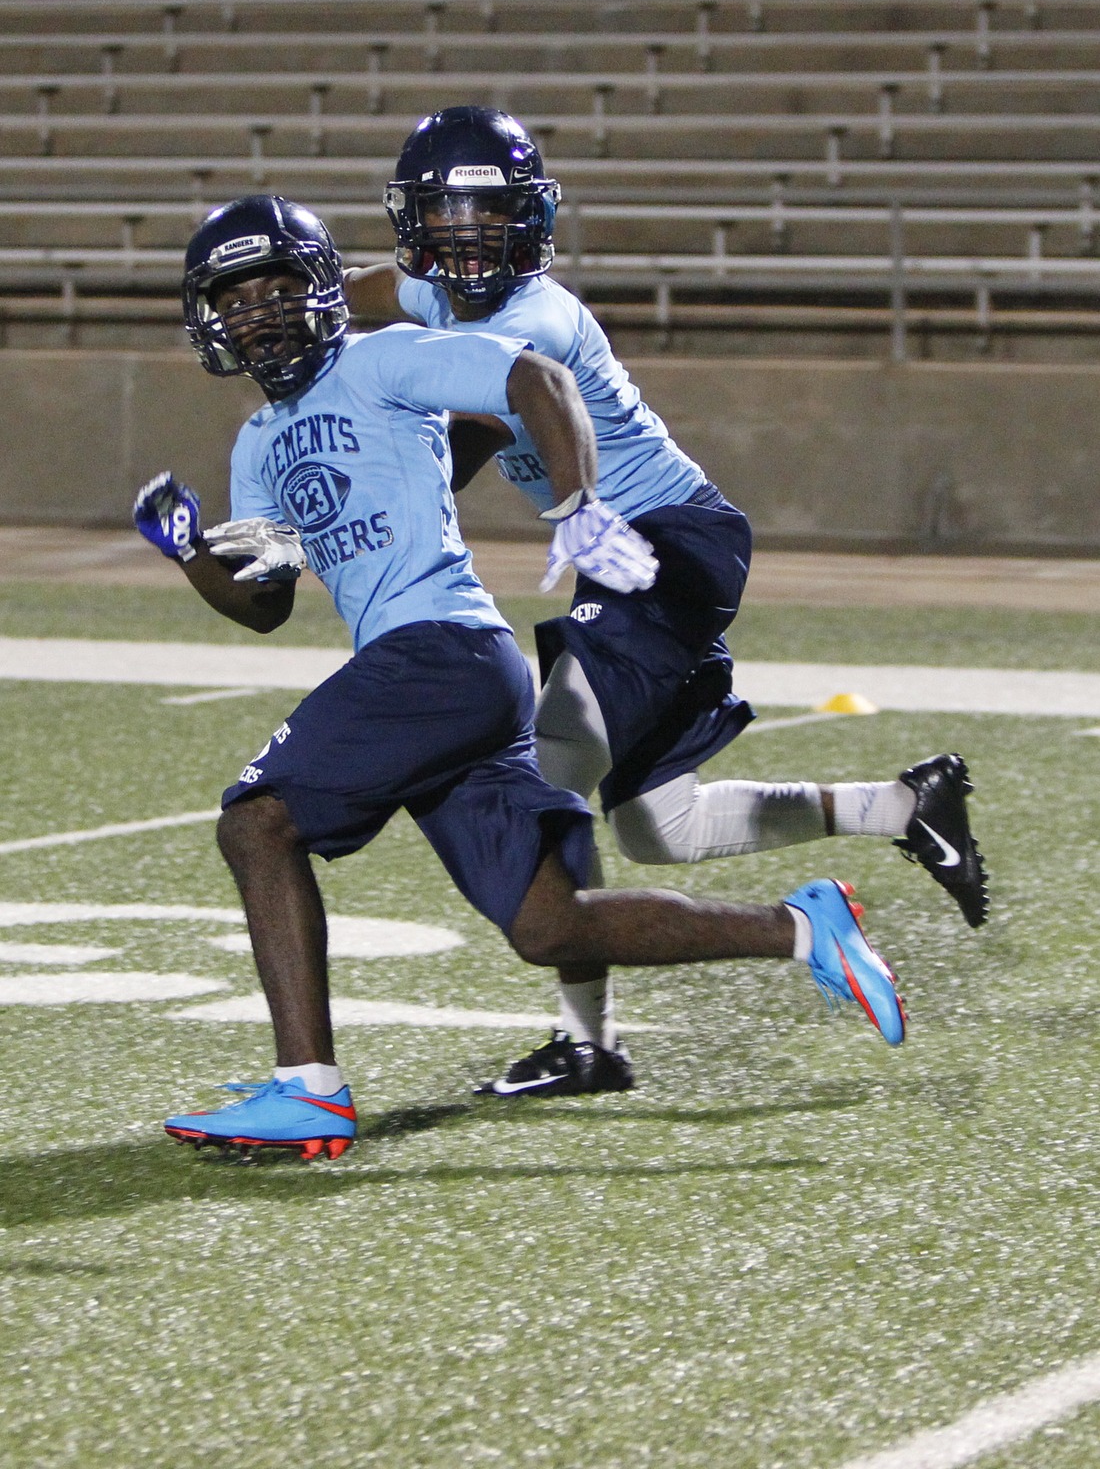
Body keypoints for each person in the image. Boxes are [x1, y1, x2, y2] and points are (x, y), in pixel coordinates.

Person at [133, 193, 908, 1161]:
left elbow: (535, 377)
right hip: (444, 678)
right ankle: (800, 928)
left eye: (275, 288)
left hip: (439, 653)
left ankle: (308, 1090)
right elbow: (265, 603)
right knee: (549, 926)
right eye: (233, 299)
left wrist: (577, 506)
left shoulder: (382, 361)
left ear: (321, 290)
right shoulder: (257, 445)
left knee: (257, 821)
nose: (256, 313)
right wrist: (188, 553)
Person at [340, 105, 988, 1100]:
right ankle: (900, 803)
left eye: (488, 215)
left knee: (548, 765)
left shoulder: (536, 318)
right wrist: (294, 311)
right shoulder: (429, 291)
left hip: (663, 541)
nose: (467, 238)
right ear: (416, 218)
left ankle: (586, 1044)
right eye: (448, 216)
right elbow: (350, 296)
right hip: (637, 556)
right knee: (656, 824)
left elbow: (459, 418)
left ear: (530, 219)